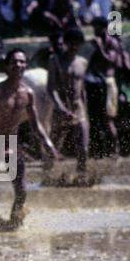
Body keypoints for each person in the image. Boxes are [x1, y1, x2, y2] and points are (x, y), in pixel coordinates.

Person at [0, 48, 59, 224]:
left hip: (11, 145)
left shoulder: (28, 94)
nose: (18, 65)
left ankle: (14, 223)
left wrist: (48, 145)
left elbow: (35, 123)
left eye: (22, 61)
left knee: (21, 190)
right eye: (14, 62)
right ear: (6, 66)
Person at [47, 27, 90, 177]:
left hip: (79, 109)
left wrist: (85, 113)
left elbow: (82, 89)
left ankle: (81, 177)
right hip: (61, 109)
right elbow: (51, 88)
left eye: (77, 43)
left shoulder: (83, 62)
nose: (74, 47)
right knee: (53, 145)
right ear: (65, 43)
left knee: (83, 148)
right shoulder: (55, 61)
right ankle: (46, 176)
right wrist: (60, 107)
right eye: (71, 43)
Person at [87, 16, 130, 156]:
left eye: (95, 27)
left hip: (108, 83)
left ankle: (115, 150)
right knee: (98, 118)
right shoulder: (105, 41)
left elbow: (110, 61)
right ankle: (102, 150)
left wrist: (99, 47)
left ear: (101, 27)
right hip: (99, 84)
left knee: (108, 119)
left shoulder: (111, 42)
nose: (93, 30)